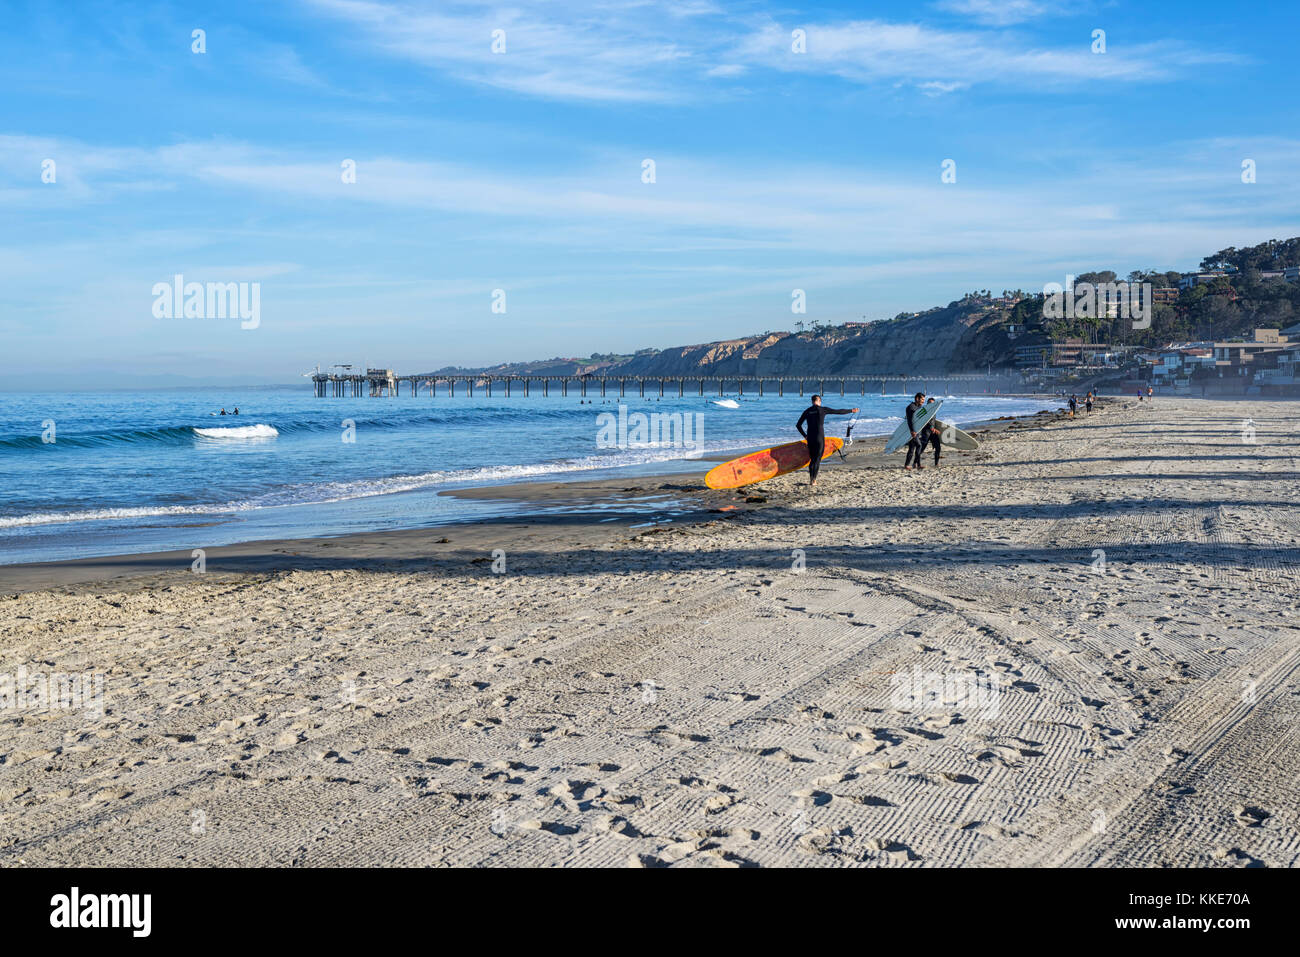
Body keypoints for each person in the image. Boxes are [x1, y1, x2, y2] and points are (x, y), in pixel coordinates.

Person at [796, 395, 857, 486]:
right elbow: (838, 411)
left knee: (812, 460)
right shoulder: (822, 409)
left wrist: (805, 436)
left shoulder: (807, 411)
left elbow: (798, 425)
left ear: (812, 401)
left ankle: (811, 479)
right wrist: (851, 410)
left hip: (810, 438)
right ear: (819, 401)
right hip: (819, 437)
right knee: (817, 459)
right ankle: (814, 481)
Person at [904, 392, 930, 471]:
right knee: (918, 445)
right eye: (922, 399)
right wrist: (912, 431)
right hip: (912, 431)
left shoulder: (919, 407)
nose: (923, 401)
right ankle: (914, 464)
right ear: (917, 398)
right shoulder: (911, 407)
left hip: (917, 431)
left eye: (924, 399)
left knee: (912, 448)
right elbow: (909, 420)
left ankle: (913, 464)